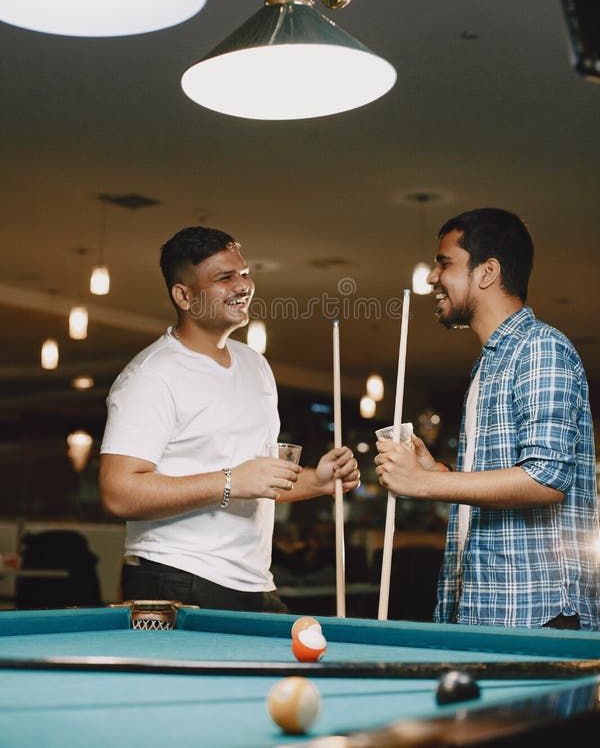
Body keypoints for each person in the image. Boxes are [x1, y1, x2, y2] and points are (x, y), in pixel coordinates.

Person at [100, 226, 360, 612]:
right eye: (224, 278)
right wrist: (230, 480)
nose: (243, 286)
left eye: (244, 272)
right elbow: (118, 492)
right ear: (183, 295)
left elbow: (255, 481)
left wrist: (314, 482)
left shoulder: (255, 364)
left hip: (254, 581)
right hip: (174, 576)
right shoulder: (150, 375)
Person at [375, 208, 600, 630]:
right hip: (489, 611)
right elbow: (502, 482)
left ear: (487, 272)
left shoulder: (540, 348)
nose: (431, 278)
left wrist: (426, 483)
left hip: (537, 616)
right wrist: (438, 471)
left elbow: (545, 478)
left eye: (444, 263)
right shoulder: (490, 365)